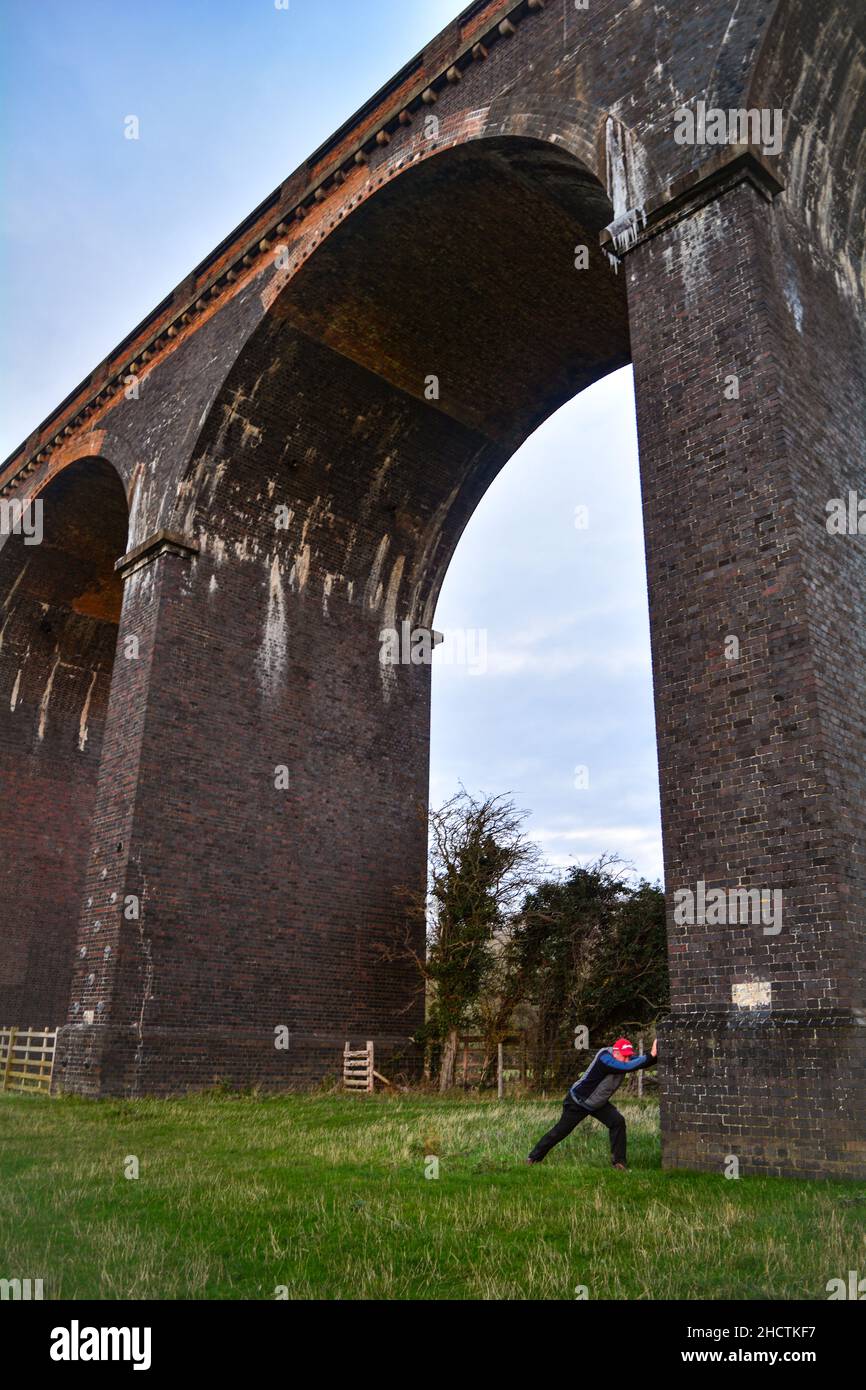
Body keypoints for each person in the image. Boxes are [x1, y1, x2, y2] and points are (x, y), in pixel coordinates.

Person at [526, 1037, 658, 1170]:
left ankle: (619, 1163)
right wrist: (650, 1055)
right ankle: (533, 1158)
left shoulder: (623, 1059)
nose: (627, 1060)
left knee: (617, 1122)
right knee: (560, 1131)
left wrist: (655, 1054)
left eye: (629, 1057)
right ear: (615, 1052)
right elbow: (625, 1066)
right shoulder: (604, 1058)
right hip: (578, 1102)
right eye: (624, 1057)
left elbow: (636, 1062)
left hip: (598, 1103)